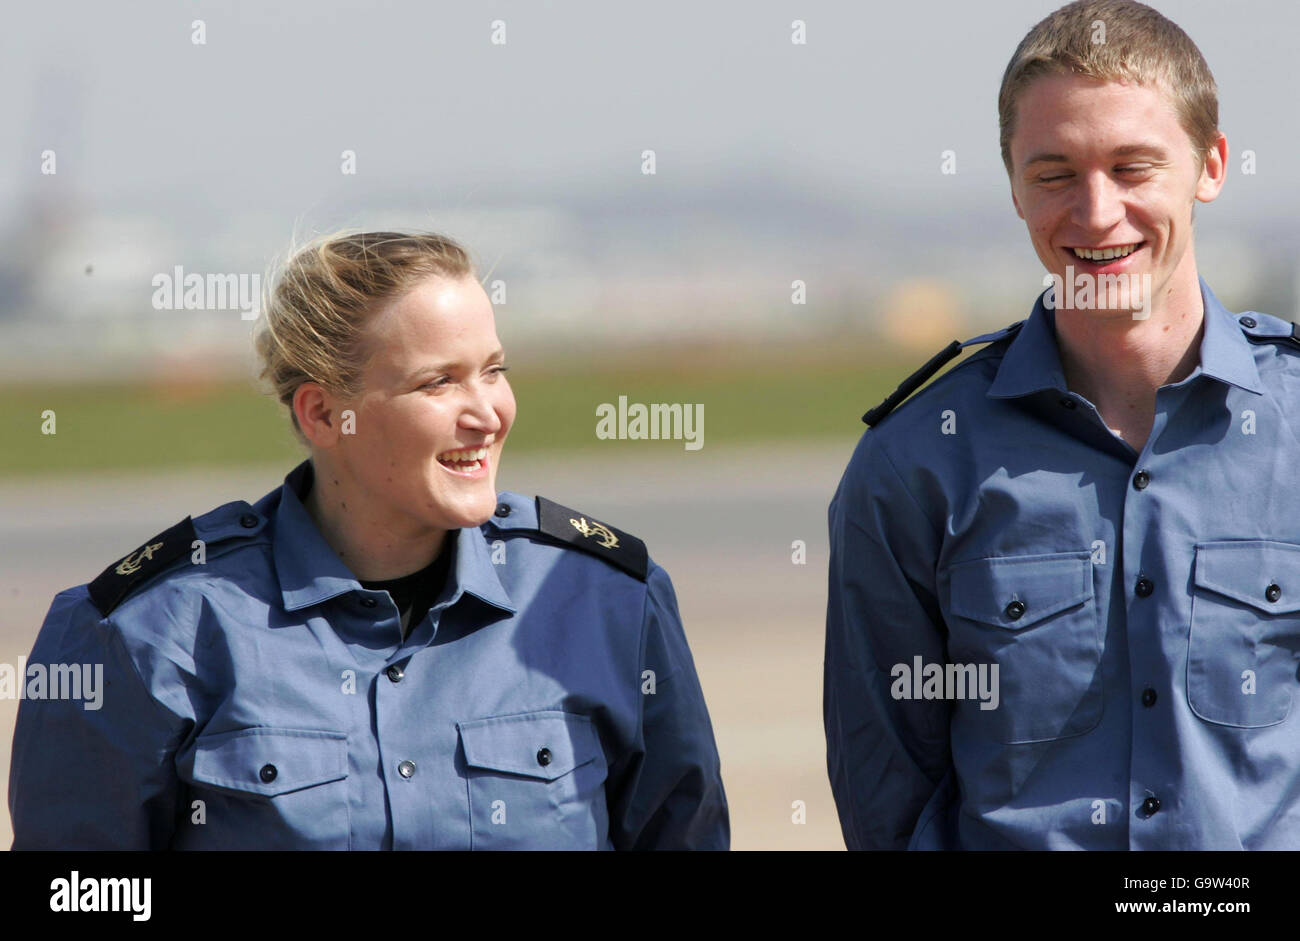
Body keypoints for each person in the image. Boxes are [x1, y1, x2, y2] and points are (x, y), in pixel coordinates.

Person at [9, 230, 729, 850]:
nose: (489, 413)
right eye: (438, 383)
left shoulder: (606, 603)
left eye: (494, 370)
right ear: (323, 413)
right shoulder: (146, 632)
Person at [825, 0, 1300, 849]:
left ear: (1212, 165)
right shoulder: (914, 466)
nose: (1095, 211)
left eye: (1132, 167)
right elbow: (890, 796)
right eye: (1054, 174)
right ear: (1012, 183)